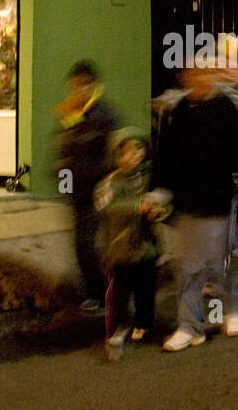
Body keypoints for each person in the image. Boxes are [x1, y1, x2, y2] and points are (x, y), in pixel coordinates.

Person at [144, 56, 238, 351]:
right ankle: (190, 326)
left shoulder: (225, 110)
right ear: (186, 77)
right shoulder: (177, 112)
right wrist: (158, 192)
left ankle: (232, 309)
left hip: (220, 200)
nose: (202, 79)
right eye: (196, 73)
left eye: (208, 73)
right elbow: (164, 157)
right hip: (188, 202)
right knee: (187, 268)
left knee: (221, 263)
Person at [55, 60, 120, 314]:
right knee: (81, 245)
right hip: (77, 194)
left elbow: (114, 151)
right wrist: (64, 184)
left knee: (95, 244)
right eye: (74, 86)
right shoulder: (69, 114)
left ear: (93, 85)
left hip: (99, 192)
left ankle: (109, 293)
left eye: (83, 85)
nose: (77, 90)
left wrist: (104, 182)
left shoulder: (104, 115)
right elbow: (63, 152)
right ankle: (95, 292)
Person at [96, 127, 162, 361]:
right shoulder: (110, 182)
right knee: (119, 294)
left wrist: (158, 209)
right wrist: (137, 206)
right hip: (120, 250)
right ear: (115, 156)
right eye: (125, 152)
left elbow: (161, 200)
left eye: (137, 149)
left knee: (146, 289)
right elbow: (107, 206)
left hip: (146, 246)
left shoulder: (148, 177)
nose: (132, 155)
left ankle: (144, 323)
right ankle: (115, 332)